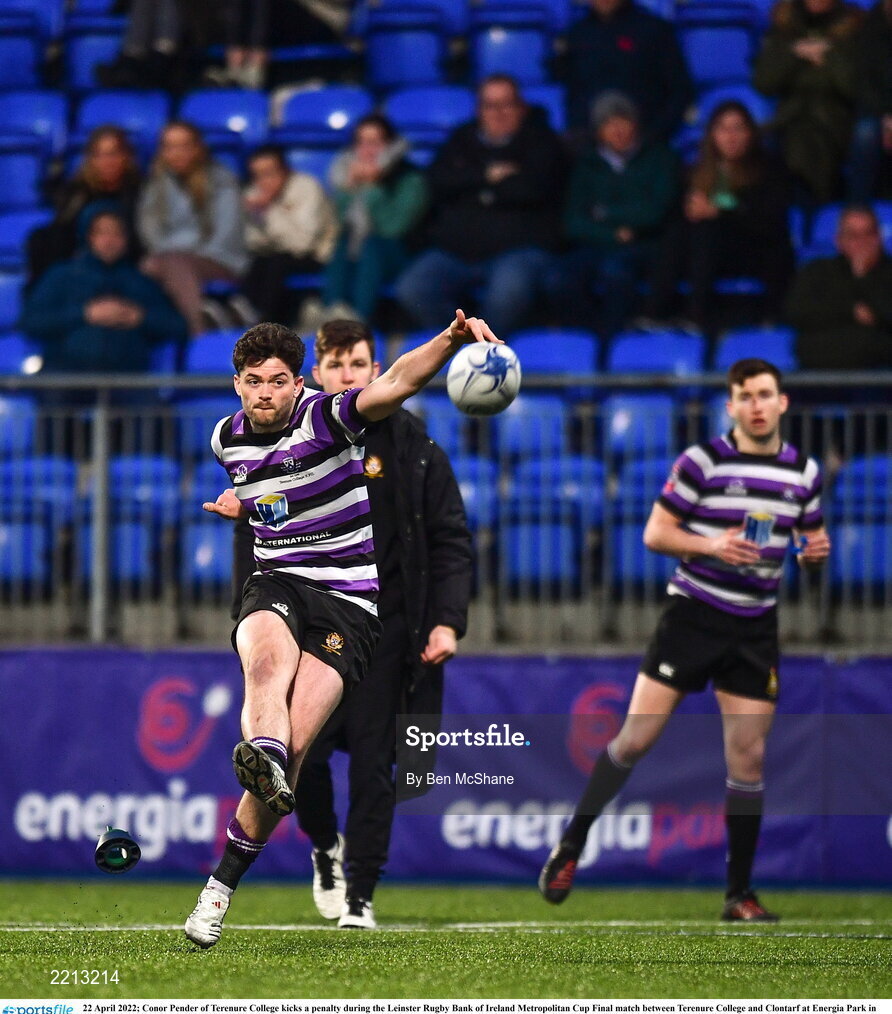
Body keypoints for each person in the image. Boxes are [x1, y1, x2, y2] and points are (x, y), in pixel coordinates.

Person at [183, 308, 498, 948]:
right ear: (236, 385)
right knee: (265, 667)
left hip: (348, 602)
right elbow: (270, 487)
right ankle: (264, 760)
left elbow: (399, 382)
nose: (266, 392)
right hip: (277, 585)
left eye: (278, 380)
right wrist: (244, 505)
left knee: (298, 754)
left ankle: (221, 886)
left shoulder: (328, 417)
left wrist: (447, 339)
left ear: (300, 384)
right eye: (253, 380)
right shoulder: (225, 439)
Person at [538, 357, 831, 922]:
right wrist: (712, 545)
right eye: (745, 396)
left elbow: (811, 546)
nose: (756, 405)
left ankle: (737, 894)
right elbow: (655, 532)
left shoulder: (805, 473)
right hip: (694, 615)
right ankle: (572, 844)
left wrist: (815, 555)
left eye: (765, 395)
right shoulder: (705, 462)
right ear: (731, 405)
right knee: (634, 741)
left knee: (748, 759)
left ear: (783, 402)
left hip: (755, 625)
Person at [395, 75, 566, 338]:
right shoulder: (461, 139)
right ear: (478, 110)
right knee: (412, 287)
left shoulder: (543, 141)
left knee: (507, 293)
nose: (498, 113)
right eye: (490, 105)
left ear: (521, 107)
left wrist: (474, 187)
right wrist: (487, 176)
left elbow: (534, 189)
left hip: (518, 250)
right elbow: (437, 182)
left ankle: (485, 358)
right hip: (457, 251)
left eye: (506, 104)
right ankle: (456, 346)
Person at [637, 100, 794, 335]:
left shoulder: (769, 171)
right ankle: (655, 312)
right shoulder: (696, 173)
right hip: (707, 253)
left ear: (750, 133)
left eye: (738, 128)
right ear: (712, 135)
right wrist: (691, 210)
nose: (731, 136)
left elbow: (769, 222)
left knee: (707, 227)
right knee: (681, 231)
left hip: (755, 250)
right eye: (723, 129)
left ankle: (696, 315)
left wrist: (720, 212)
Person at [548, 91, 679, 337]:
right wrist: (614, 233)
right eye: (608, 123)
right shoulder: (586, 165)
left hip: (646, 245)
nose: (617, 129)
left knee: (615, 272)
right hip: (598, 244)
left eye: (623, 120)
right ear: (598, 130)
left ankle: (615, 341)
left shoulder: (660, 158)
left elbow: (655, 212)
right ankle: (587, 340)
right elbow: (573, 222)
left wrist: (603, 213)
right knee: (558, 278)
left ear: (636, 123)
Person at [20, 206, 187, 377]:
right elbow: (31, 322)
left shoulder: (140, 281)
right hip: (65, 375)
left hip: (128, 378)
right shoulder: (61, 275)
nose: (110, 240)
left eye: (117, 233)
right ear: (87, 236)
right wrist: (85, 314)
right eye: (101, 233)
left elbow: (177, 326)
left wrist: (140, 317)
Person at [302, 115, 427, 327]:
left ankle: (358, 322)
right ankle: (330, 315)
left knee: (371, 245)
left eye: (375, 143)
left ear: (390, 146)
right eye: (361, 143)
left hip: (402, 255)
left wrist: (372, 187)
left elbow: (392, 228)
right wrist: (348, 190)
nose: (367, 150)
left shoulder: (411, 179)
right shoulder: (348, 176)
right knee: (343, 241)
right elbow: (339, 223)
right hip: (353, 254)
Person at [138, 121, 248, 336]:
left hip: (219, 259)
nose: (177, 153)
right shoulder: (156, 185)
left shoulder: (222, 181)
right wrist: (170, 254)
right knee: (148, 267)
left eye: (184, 145)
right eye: (170, 146)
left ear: (198, 148)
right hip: (167, 258)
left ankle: (196, 333)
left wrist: (182, 255)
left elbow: (227, 233)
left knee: (173, 265)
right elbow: (149, 230)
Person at [753, 0, 864, 204]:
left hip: (838, 119)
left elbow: (856, 87)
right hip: (789, 120)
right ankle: (813, 210)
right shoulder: (783, 28)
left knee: (810, 138)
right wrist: (795, 53)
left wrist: (828, 56)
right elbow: (764, 83)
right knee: (800, 136)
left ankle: (809, 212)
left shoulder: (855, 28)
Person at [556, 0, 695, 144]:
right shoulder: (576, 34)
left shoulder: (654, 30)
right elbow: (571, 91)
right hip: (588, 147)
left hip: (646, 144)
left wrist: (652, 135)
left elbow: (680, 90)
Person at [26, 126, 143, 290]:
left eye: (113, 153)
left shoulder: (141, 192)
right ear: (90, 159)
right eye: (99, 155)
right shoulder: (77, 193)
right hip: (78, 261)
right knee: (40, 239)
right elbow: (64, 229)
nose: (107, 161)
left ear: (126, 156)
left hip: (125, 258)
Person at [784, 204, 892, 369]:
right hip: (822, 360)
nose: (862, 242)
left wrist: (862, 277)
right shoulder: (817, 270)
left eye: (869, 234)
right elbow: (797, 311)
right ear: (839, 240)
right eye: (853, 235)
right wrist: (851, 311)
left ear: (879, 238)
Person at [242, 144, 337, 327]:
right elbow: (251, 240)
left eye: (270, 173)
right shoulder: (254, 193)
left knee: (277, 263)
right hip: (274, 255)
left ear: (286, 171)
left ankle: (264, 323)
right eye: (258, 175)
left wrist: (269, 211)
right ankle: (247, 315)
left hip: (316, 256)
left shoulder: (307, 188)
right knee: (256, 262)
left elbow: (303, 243)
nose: (264, 181)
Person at [845, 0, 892, 201]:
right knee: (865, 133)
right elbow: (865, 84)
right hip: (877, 111)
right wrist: (887, 117)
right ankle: (858, 209)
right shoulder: (869, 28)